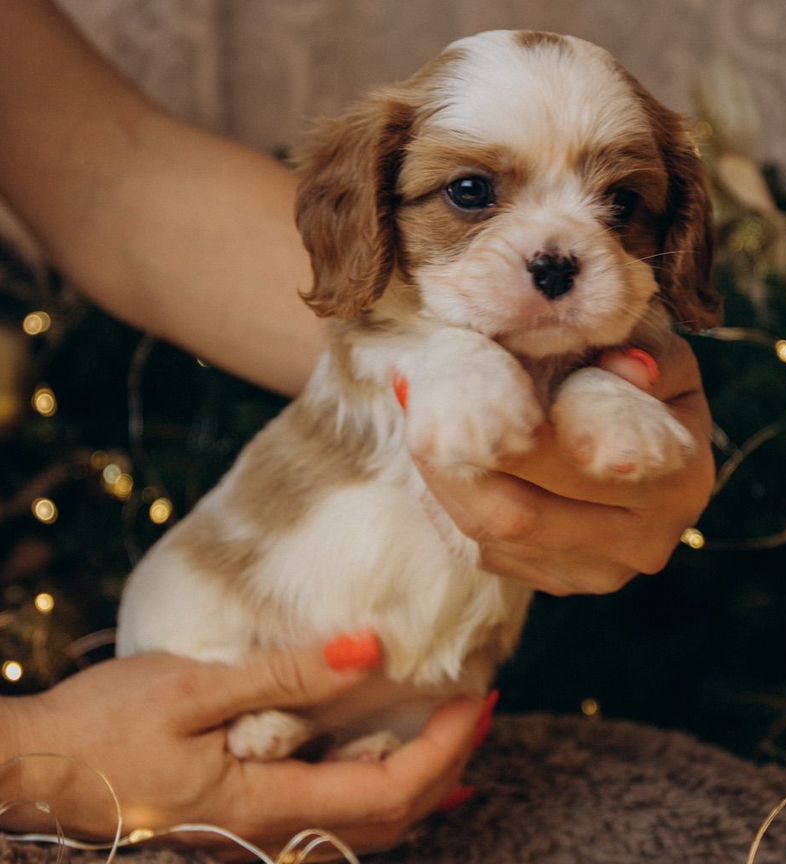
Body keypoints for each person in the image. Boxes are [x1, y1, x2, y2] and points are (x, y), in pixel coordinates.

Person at [0, 0, 716, 855]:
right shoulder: (417, 348)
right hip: (209, 639)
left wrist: (613, 401)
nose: (558, 250)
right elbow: (388, 350)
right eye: (472, 193)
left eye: (620, 203)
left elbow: (107, 168)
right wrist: (30, 762)